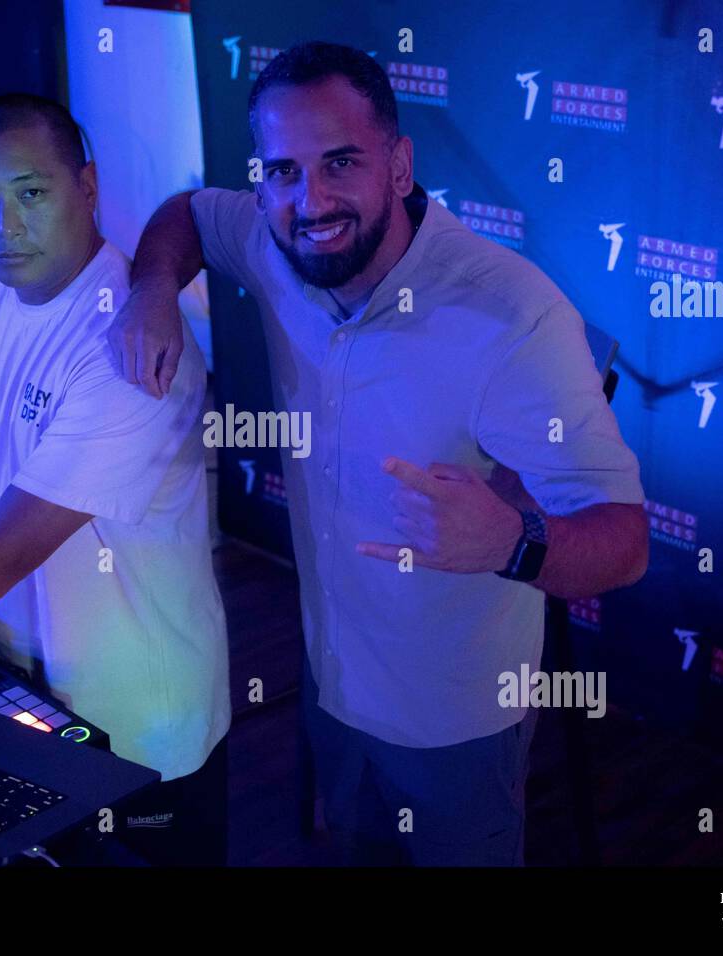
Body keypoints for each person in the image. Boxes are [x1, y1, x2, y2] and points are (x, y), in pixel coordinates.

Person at [109, 43, 647, 865]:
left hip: (455, 719)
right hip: (331, 681)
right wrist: (152, 290)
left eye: (341, 163)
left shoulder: (515, 319)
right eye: (283, 171)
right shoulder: (272, 237)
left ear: (398, 165)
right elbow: (186, 214)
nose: (310, 199)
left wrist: (511, 542)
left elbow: (624, 542)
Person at [0, 94, 230, 866]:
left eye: (30, 194)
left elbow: (16, 544)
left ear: (87, 188)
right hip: (19, 684)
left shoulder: (130, 347)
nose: (3, 226)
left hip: (139, 718)